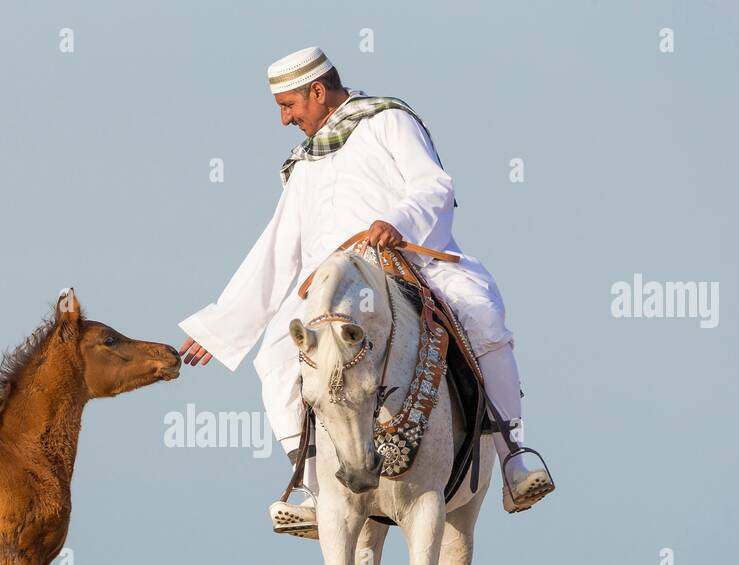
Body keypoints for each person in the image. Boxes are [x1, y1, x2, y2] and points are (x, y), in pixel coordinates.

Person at [177, 47, 554, 536]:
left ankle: (513, 457)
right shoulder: (304, 162)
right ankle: (311, 487)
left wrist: (395, 222)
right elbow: (275, 251)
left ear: (318, 90)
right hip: (325, 289)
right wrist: (223, 324)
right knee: (272, 356)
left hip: (401, 263)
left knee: (480, 314)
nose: (284, 119)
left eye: (289, 106)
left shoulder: (388, 120)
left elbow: (434, 186)